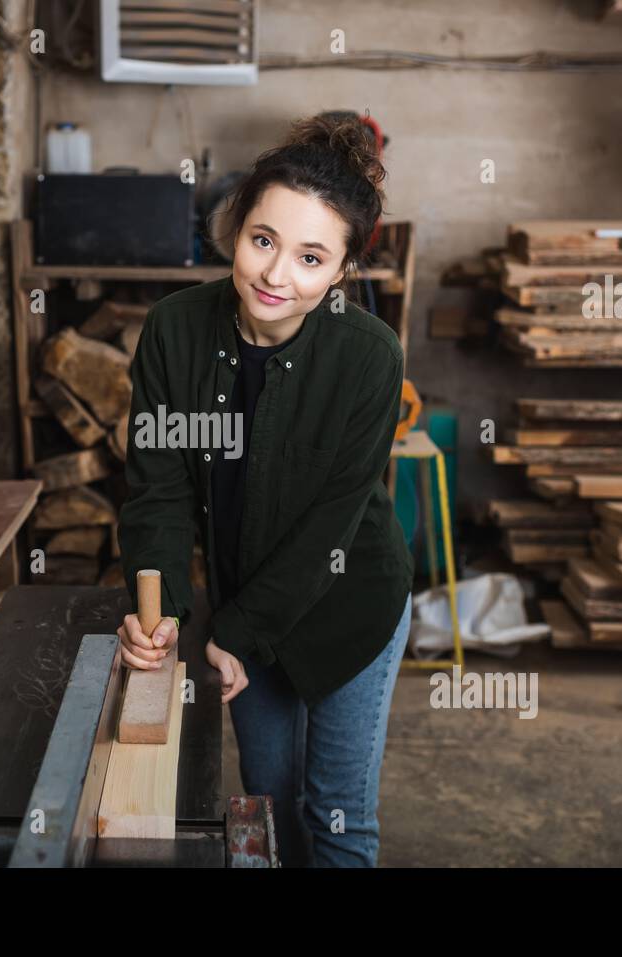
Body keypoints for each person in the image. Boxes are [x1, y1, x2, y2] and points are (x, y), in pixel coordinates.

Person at [117, 113, 415, 867]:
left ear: (343, 271)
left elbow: (329, 528)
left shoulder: (369, 355)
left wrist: (234, 631)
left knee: (338, 819)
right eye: (263, 241)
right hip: (243, 603)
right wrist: (158, 612)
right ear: (237, 227)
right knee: (268, 811)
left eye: (311, 258)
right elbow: (158, 491)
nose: (277, 275)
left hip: (350, 605)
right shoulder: (175, 331)